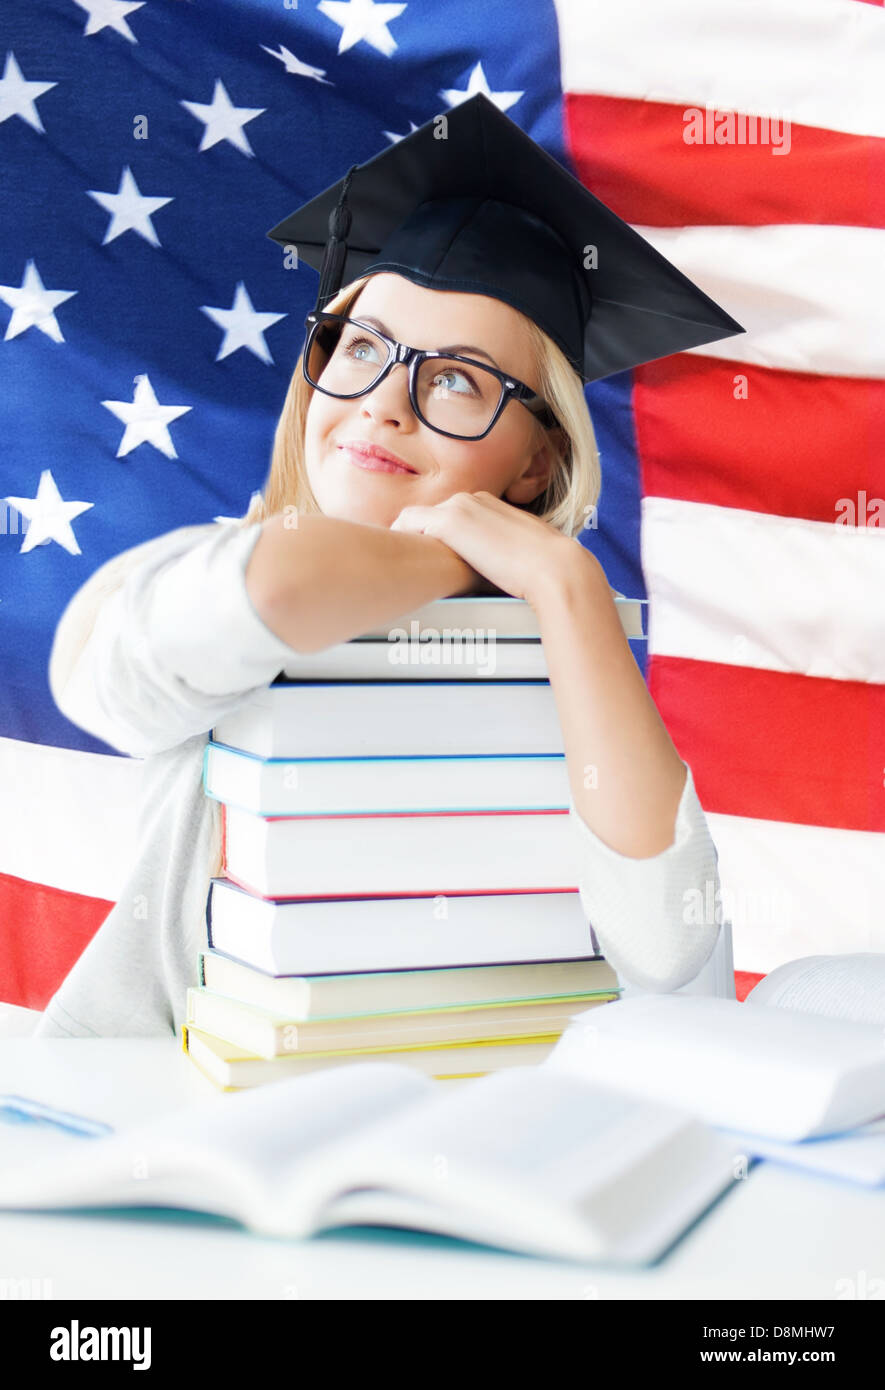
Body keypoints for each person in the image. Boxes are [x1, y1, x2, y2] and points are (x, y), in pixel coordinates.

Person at [32, 95, 741, 1038]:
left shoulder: (562, 645)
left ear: (538, 460)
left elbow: (666, 949)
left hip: (466, 1115)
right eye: (361, 347)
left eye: (455, 378)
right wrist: (445, 558)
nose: (383, 404)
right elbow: (272, 594)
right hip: (173, 1103)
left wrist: (570, 592)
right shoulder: (198, 573)